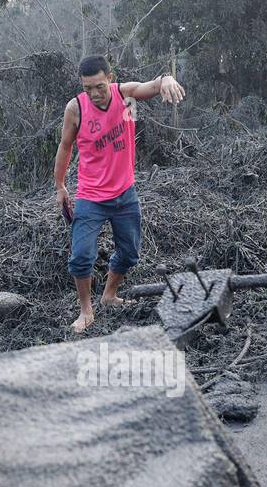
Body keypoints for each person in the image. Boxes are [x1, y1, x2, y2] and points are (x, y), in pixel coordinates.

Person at [53, 54, 186, 332]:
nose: (95, 94)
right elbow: (65, 147)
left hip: (125, 194)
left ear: (110, 79)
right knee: (81, 256)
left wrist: (167, 79)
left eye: (100, 86)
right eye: (88, 88)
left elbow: (148, 86)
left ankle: (109, 295)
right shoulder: (76, 108)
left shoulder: (125, 97)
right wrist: (61, 186)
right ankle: (86, 310)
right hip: (90, 196)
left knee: (129, 253)